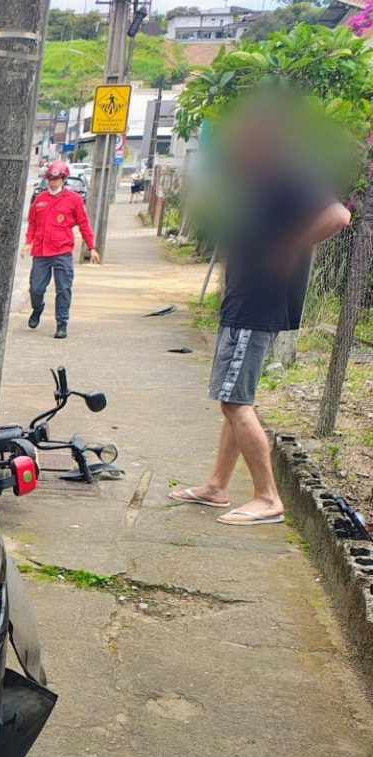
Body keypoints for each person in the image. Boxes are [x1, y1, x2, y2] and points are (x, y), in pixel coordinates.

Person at [169, 104, 352, 526]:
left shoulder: (291, 175)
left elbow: (338, 215)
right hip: (243, 301)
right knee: (233, 400)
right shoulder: (261, 181)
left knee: (236, 401)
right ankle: (216, 486)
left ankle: (268, 497)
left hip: (258, 304)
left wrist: (292, 247)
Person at [23, 159, 99, 339]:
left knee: (63, 289)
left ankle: (61, 323)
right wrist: (28, 242)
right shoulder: (40, 199)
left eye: (56, 179)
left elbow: (84, 224)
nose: (52, 182)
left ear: (64, 179)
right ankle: (37, 308)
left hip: (62, 251)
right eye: (50, 178)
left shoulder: (74, 199)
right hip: (41, 252)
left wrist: (92, 247)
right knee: (36, 288)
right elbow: (32, 223)